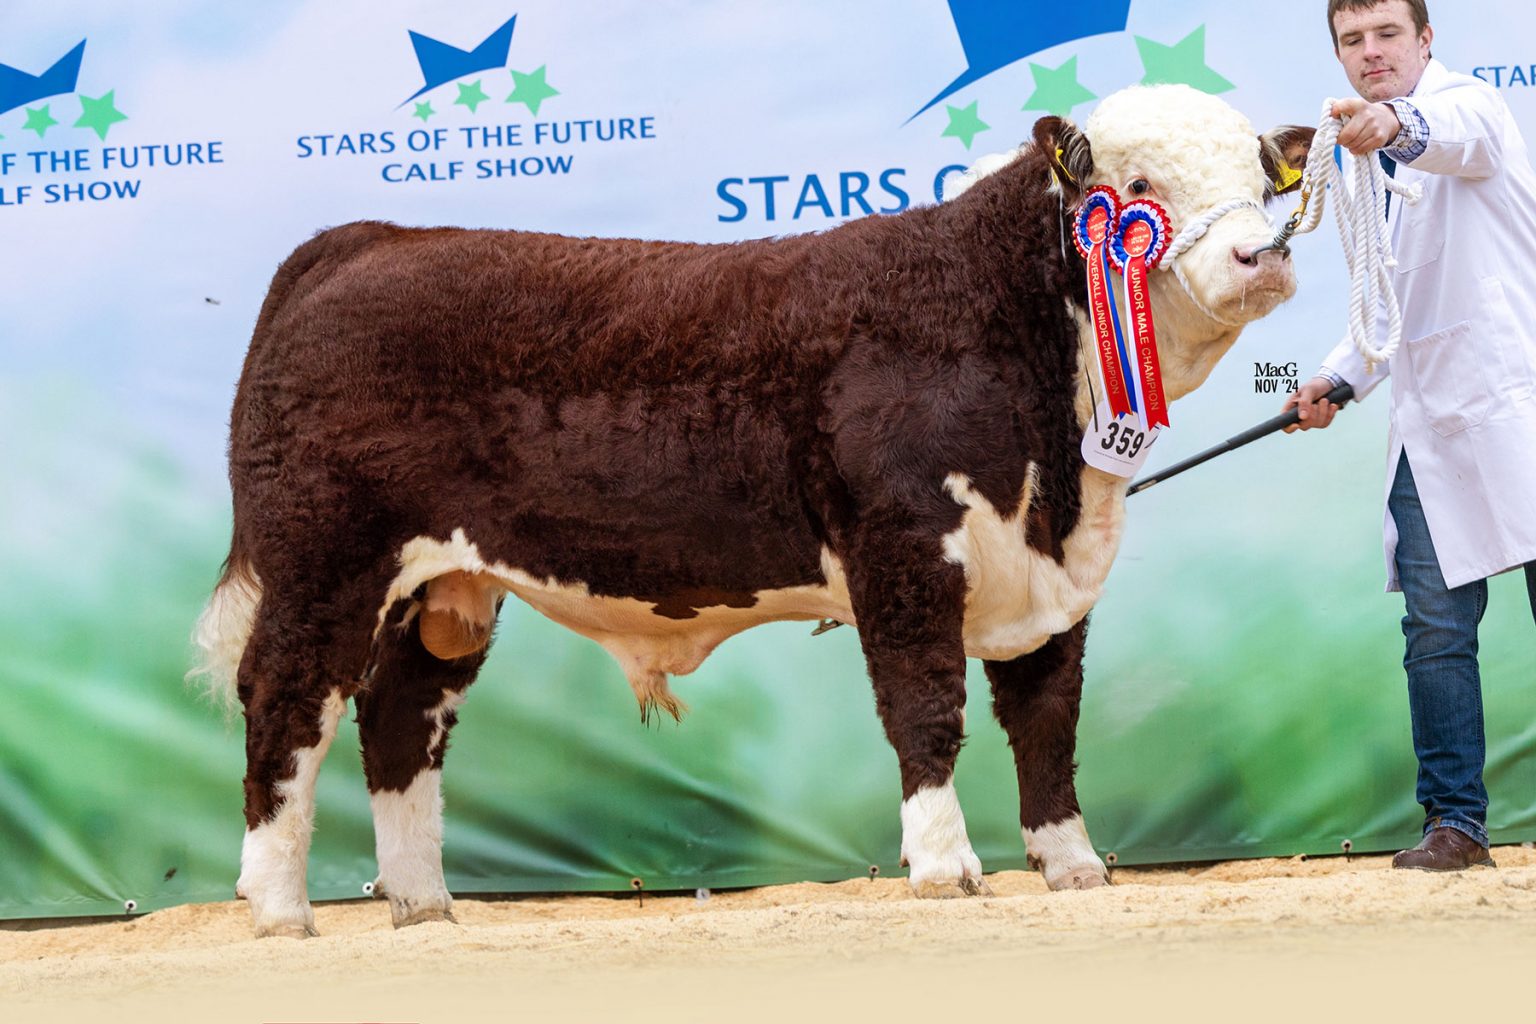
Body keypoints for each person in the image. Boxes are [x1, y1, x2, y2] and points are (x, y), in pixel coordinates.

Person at [1285, 0, 1536, 870]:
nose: (1370, 53)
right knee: (1434, 631)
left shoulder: (1471, 107)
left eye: (1387, 34)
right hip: (1432, 428)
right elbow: (1384, 312)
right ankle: (1456, 824)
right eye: (1351, 41)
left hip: (1523, 405)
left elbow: (1448, 133)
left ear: (1425, 39)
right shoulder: (1370, 175)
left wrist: (1392, 121)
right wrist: (1336, 380)